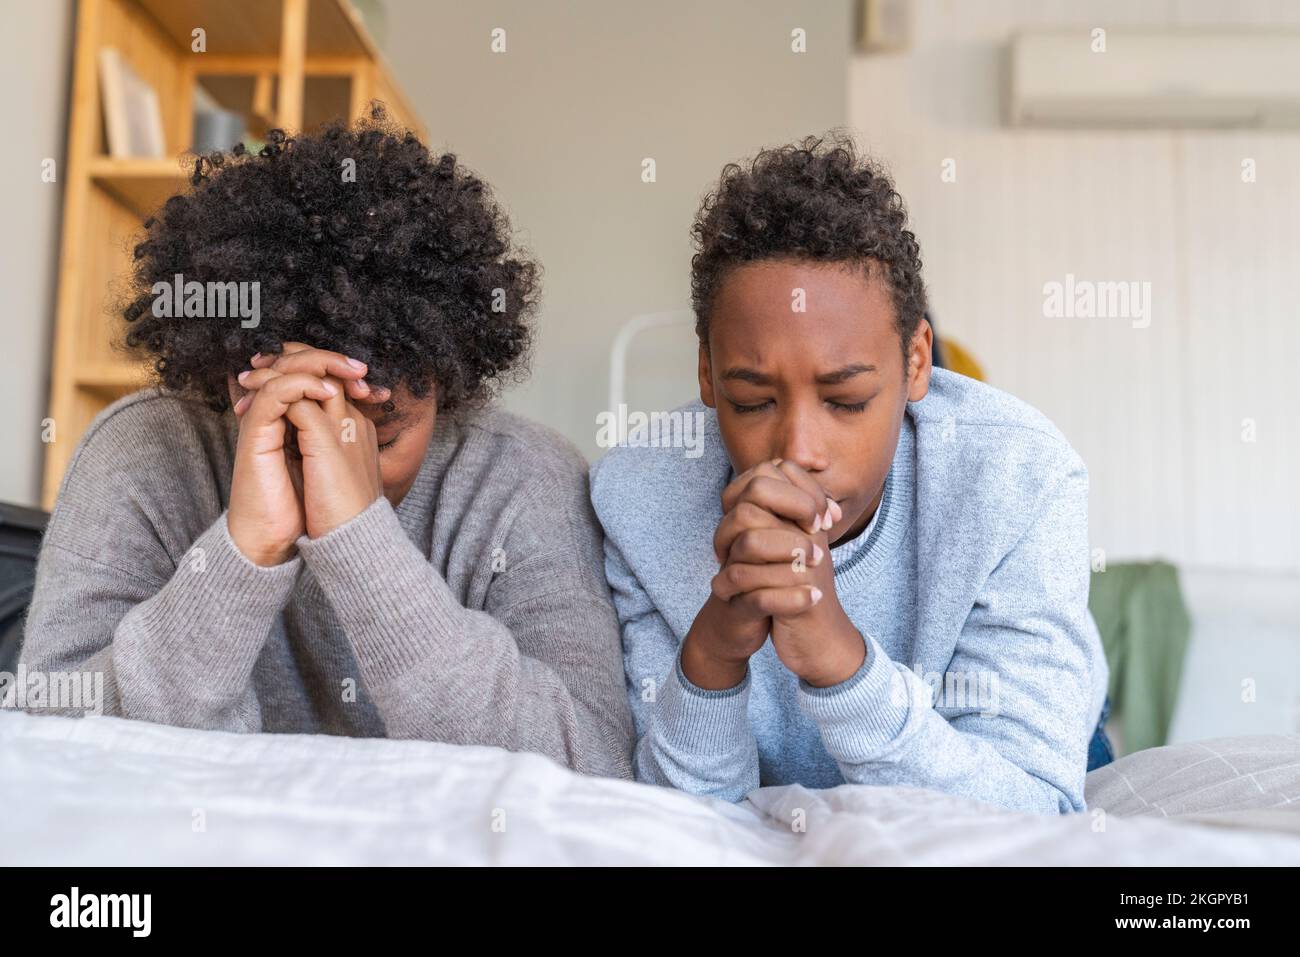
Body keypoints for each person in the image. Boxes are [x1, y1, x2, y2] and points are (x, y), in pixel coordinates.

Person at [18, 107, 634, 780]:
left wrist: (363, 544)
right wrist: (242, 553)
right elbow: (44, 743)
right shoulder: (144, 450)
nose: (339, 458)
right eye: (299, 423)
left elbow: (593, 764)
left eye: (386, 431)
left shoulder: (526, 476)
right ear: (235, 378)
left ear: (449, 381)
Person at [590, 133, 1109, 812]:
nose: (800, 447)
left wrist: (842, 664)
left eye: (846, 400)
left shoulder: (1018, 476)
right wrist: (711, 657)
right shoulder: (636, 496)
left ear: (918, 360)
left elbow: (1034, 810)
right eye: (752, 400)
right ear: (707, 374)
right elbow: (678, 817)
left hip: (1003, 746)